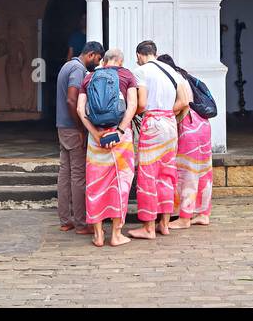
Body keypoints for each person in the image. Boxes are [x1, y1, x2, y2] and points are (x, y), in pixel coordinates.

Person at [76, 48, 139, 248]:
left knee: (95, 185)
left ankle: (98, 235)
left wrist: (95, 134)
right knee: (120, 184)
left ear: (104, 61)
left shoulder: (89, 77)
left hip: (96, 138)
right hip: (121, 137)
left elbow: (80, 109)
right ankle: (117, 234)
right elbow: (133, 106)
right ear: (120, 61)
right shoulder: (127, 75)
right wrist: (120, 131)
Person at [129, 40, 187, 240]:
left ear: (139, 55)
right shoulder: (172, 71)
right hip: (170, 125)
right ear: (155, 52)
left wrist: (134, 114)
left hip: (153, 124)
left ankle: (148, 227)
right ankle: (164, 224)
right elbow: (184, 101)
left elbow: (142, 103)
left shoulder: (142, 71)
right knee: (167, 173)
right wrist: (166, 112)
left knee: (148, 175)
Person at [158, 53, 213, 228]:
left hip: (188, 127)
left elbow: (181, 104)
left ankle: (184, 217)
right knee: (203, 171)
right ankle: (203, 214)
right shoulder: (186, 76)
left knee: (186, 172)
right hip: (202, 124)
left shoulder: (172, 79)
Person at [55, 40, 105, 234]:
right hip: (72, 128)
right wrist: (81, 128)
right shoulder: (77, 69)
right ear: (91, 54)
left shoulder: (67, 65)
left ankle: (65, 220)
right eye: (98, 59)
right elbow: (71, 99)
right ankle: (81, 223)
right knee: (78, 176)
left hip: (62, 127)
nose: (98, 63)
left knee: (65, 174)